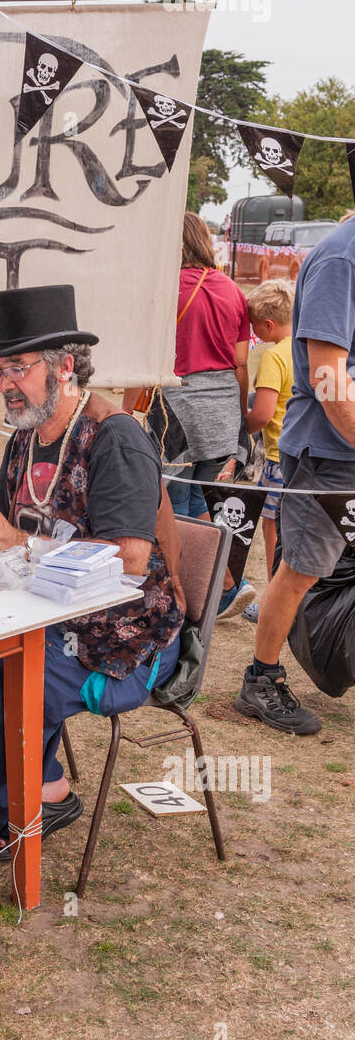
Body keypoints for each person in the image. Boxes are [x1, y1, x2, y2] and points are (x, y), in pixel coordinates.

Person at [0, 265, 185, 858]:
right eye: (1, 370)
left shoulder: (114, 437)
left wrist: (19, 544)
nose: (5, 384)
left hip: (125, 634)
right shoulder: (27, 434)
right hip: (45, 612)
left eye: (18, 368)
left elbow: (128, 561)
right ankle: (38, 787)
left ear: (65, 366)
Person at [235, 216, 355, 735]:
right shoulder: (340, 258)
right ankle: (260, 681)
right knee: (301, 570)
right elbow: (329, 379)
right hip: (330, 452)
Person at [147, 212, 255, 618]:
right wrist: (240, 414)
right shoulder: (232, 289)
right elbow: (241, 363)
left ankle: (192, 591)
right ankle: (221, 589)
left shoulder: (165, 288)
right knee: (204, 502)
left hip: (177, 404)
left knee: (173, 504)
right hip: (224, 401)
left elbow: (149, 360)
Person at [242, 280, 295, 619]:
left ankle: (275, 603)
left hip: (277, 458)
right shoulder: (306, 347)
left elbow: (262, 414)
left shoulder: (274, 356)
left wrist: (240, 429)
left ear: (268, 325)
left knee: (273, 532)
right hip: (304, 458)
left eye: (254, 327)